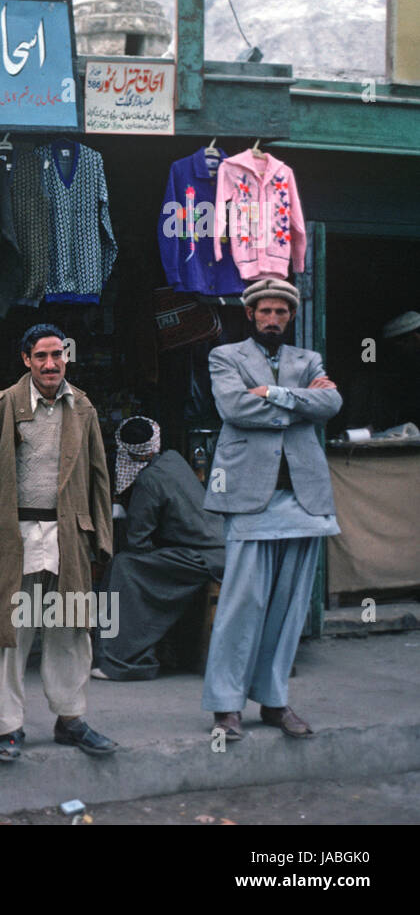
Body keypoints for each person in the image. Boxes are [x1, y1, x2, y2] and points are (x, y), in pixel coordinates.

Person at [0, 323, 117, 765]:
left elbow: (99, 477)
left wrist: (101, 537)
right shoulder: (3, 406)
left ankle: (71, 720)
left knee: (70, 631)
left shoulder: (81, 406)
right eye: (41, 356)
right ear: (26, 360)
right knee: (11, 636)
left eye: (57, 355)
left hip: (67, 534)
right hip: (16, 537)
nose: (50, 364)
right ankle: (7, 729)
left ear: (66, 357)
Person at [202, 279, 341, 741]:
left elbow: (332, 403)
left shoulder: (308, 360)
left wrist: (274, 393)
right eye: (266, 312)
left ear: (291, 316)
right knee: (242, 603)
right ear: (251, 314)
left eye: (282, 312)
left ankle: (275, 701)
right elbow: (234, 408)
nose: (273, 320)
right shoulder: (226, 356)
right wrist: (302, 403)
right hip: (249, 494)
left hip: (303, 496)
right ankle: (226, 706)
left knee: (289, 606)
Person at [91, 416, 225, 681]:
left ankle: (122, 660)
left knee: (124, 568)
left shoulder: (148, 480)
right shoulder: (173, 458)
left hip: (203, 557)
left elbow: (137, 542)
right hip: (220, 549)